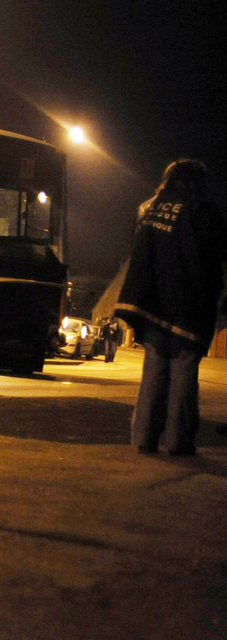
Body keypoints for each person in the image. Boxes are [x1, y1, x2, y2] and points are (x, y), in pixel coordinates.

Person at [115, 159, 226, 455]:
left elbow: (137, 253)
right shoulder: (201, 210)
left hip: (149, 302)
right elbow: (214, 257)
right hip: (187, 305)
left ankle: (144, 437)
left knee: (153, 369)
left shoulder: (147, 208)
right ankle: (178, 441)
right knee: (183, 369)